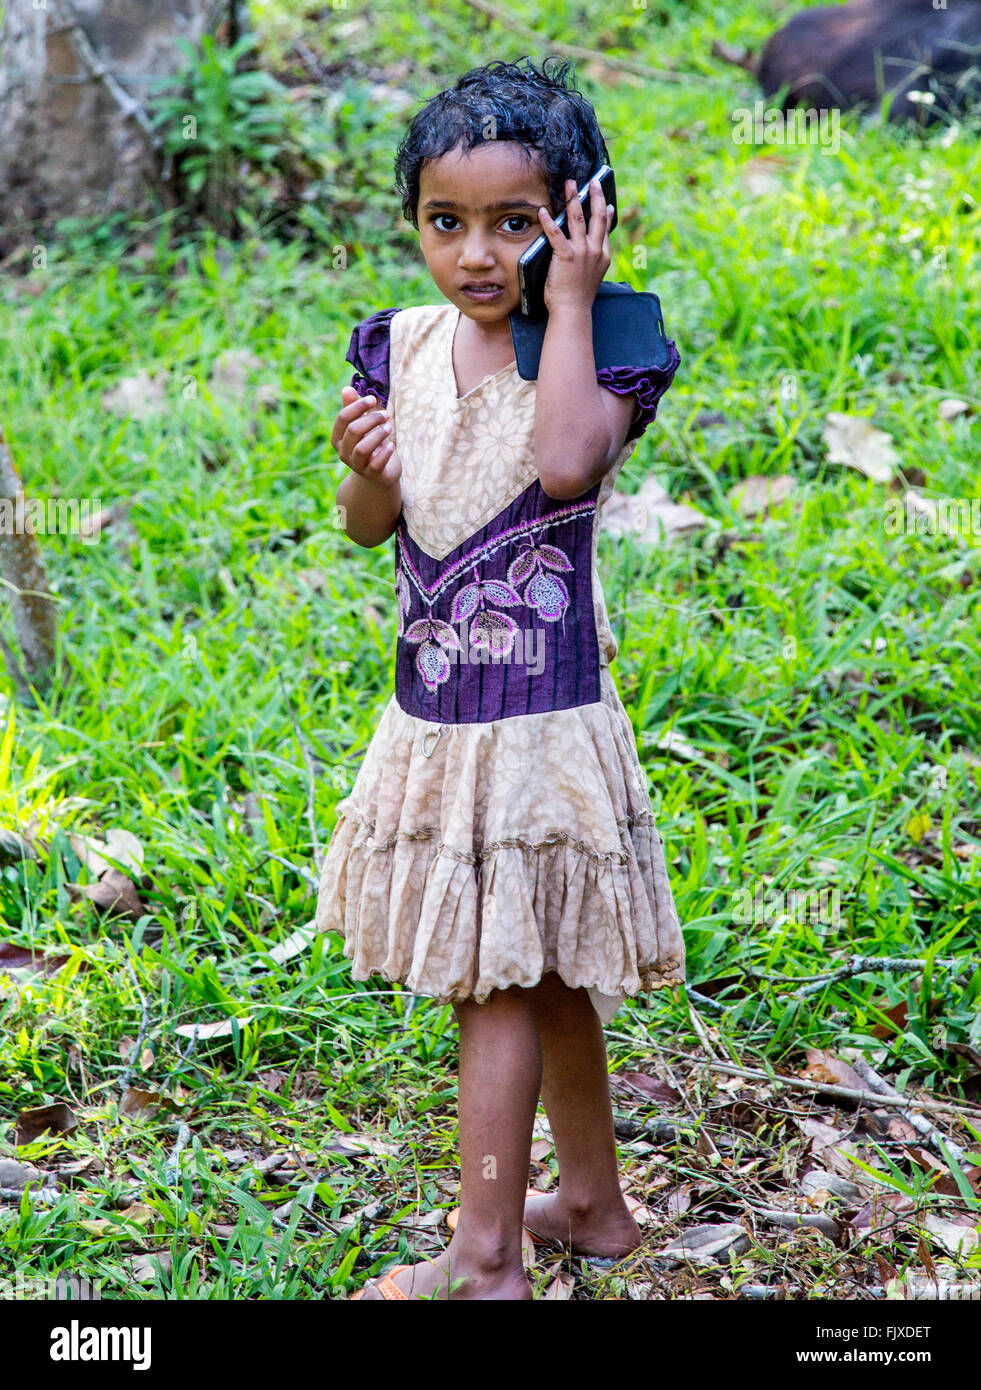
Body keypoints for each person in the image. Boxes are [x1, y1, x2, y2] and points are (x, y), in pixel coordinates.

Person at [316, 55, 686, 1301]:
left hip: (537, 727)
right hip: (437, 718)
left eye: (516, 223)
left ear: (581, 216)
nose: (476, 256)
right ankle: (589, 1201)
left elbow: (570, 463)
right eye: (445, 222)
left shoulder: (611, 339)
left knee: (494, 977)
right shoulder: (405, 343)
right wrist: (366, 463)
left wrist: (570, 300)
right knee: (538, 967)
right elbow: (374, 525)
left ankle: (484, 1259)